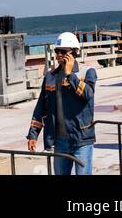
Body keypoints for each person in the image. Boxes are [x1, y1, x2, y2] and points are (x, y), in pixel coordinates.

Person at [26, 32, 98, 175]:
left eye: (63, 51)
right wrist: (33, 135)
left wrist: (70, 75)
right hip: (59, 141)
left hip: (81, 139)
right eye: (57, 51)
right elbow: (41, 107)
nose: (58, 55)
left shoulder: (87, 72)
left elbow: (87, 95)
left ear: (74, 52)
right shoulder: (50, 77)